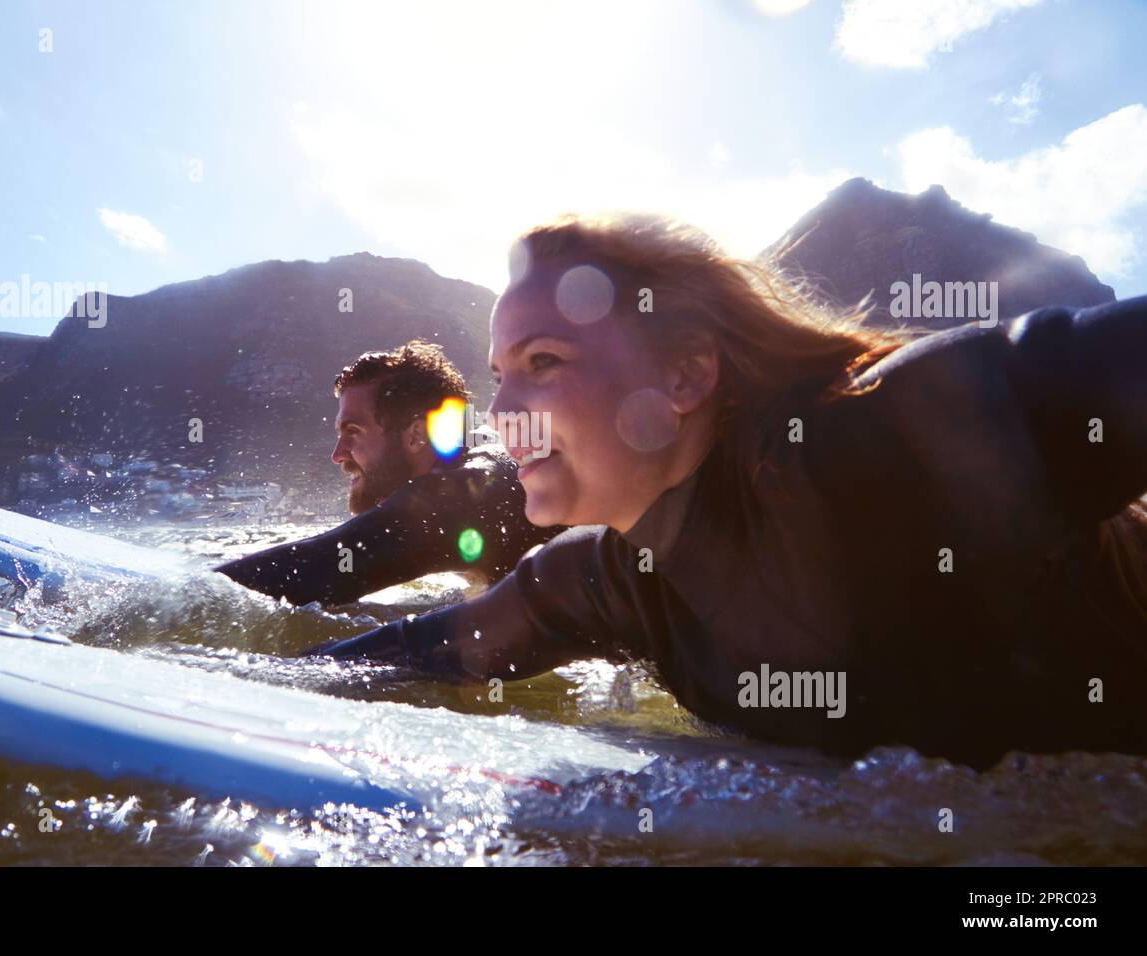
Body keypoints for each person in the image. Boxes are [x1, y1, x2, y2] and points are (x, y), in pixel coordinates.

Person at [304, 212, 1147, 769]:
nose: (503, 411)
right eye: (499, 375)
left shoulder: (897, 432)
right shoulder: (608, 579)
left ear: (686, 372)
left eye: (544, 363)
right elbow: (412, 653)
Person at [216, 340, 560, 604]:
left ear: (415, 436)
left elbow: (315, 567)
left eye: (353, 432)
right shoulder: (481, 456)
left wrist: (177, 604)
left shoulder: (459, 496)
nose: (338, 455)